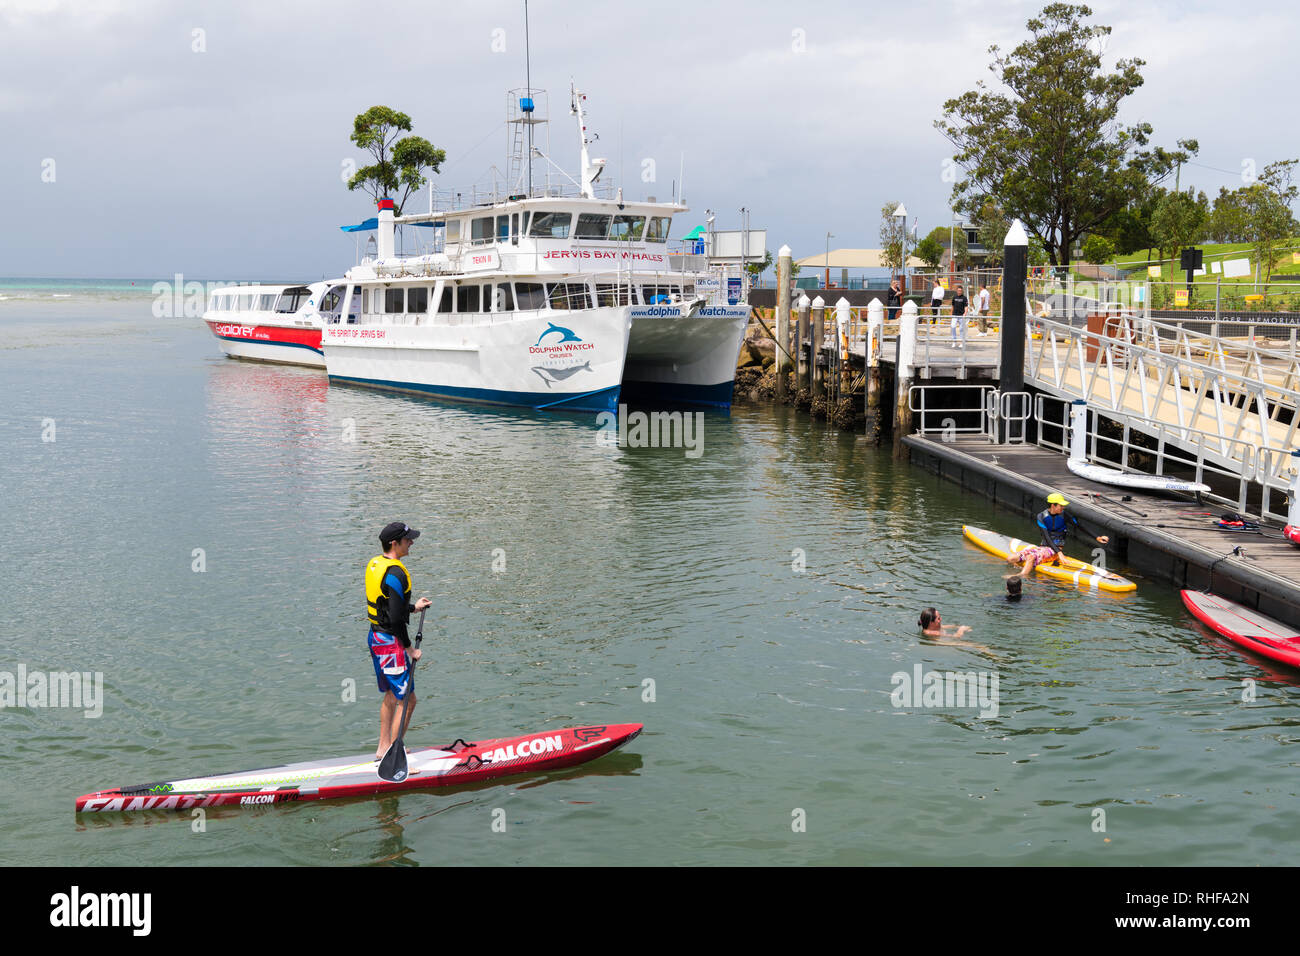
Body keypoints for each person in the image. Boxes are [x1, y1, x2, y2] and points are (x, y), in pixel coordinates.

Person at [366, 522, 432, 760]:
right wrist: (410, 649)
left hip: (376, 638)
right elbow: (395, 619)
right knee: (407, 699)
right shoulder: (396, 573)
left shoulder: (377, 565)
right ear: (395, 543)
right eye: (408, 540)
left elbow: (388, 607)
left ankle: (383, 749)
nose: (412, 542)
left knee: (392, 696)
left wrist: (414, 608)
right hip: (391, 644)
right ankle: (394, 756)